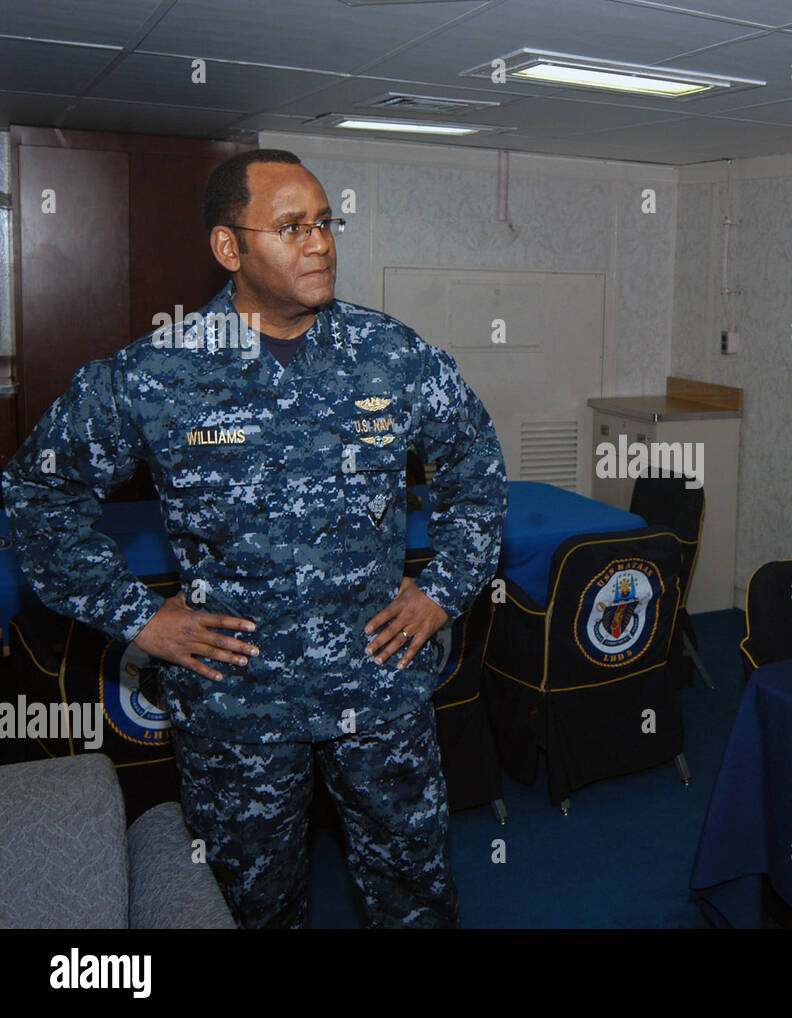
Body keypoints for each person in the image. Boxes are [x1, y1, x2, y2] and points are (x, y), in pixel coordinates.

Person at [2, 149, 508, 928]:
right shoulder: (157, 373)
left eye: (325, 223)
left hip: (375, 683)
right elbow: (36, 491)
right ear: (229, 248)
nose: (320, 244)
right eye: (291, 226)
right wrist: (140, 618)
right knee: (247, 905)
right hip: (238, 705)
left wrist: (443, 589)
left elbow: (474, 463)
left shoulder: (392, 355)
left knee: (414, 890)